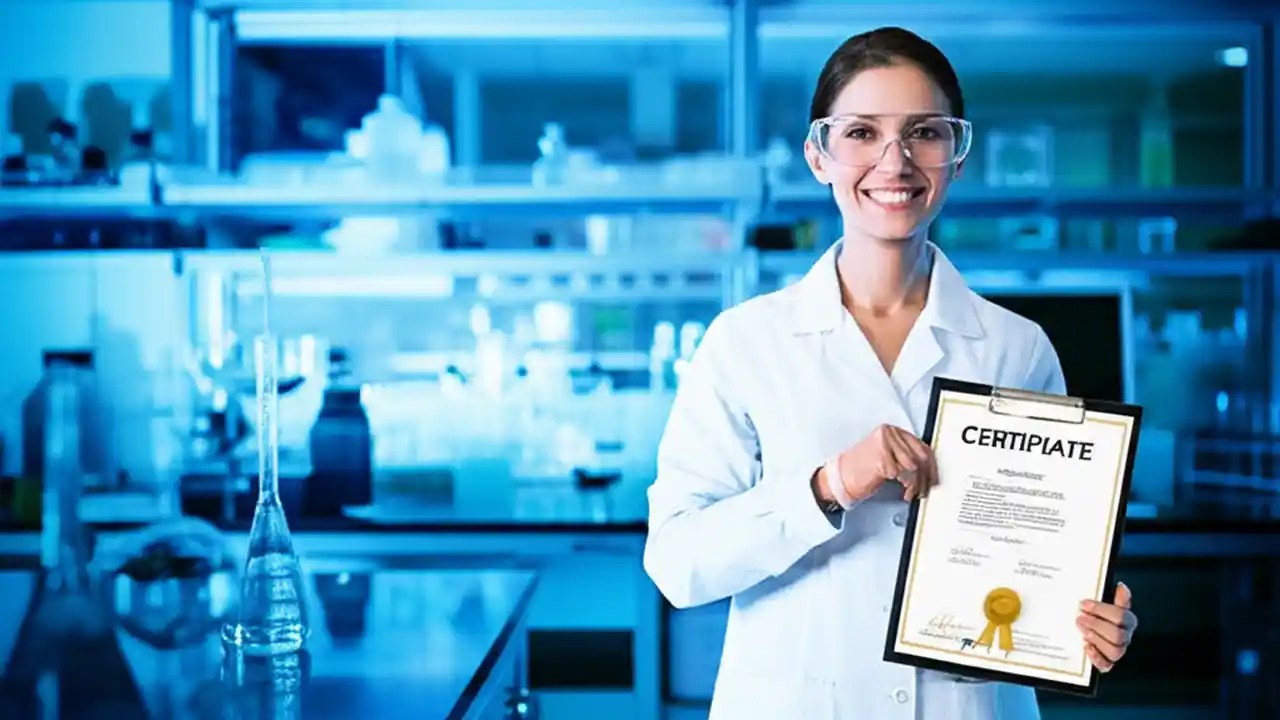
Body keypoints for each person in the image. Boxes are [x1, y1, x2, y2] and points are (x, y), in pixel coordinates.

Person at [642, 26, 1139, 720]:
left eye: (924, 132)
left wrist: (1084, 625)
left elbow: (1040, 559)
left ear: (956, 156)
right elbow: (677, 565)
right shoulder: (746, 343)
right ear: (819, 155)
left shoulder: (1016, 347)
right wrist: (828, 484)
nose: (895, 161)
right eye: (861, 133)